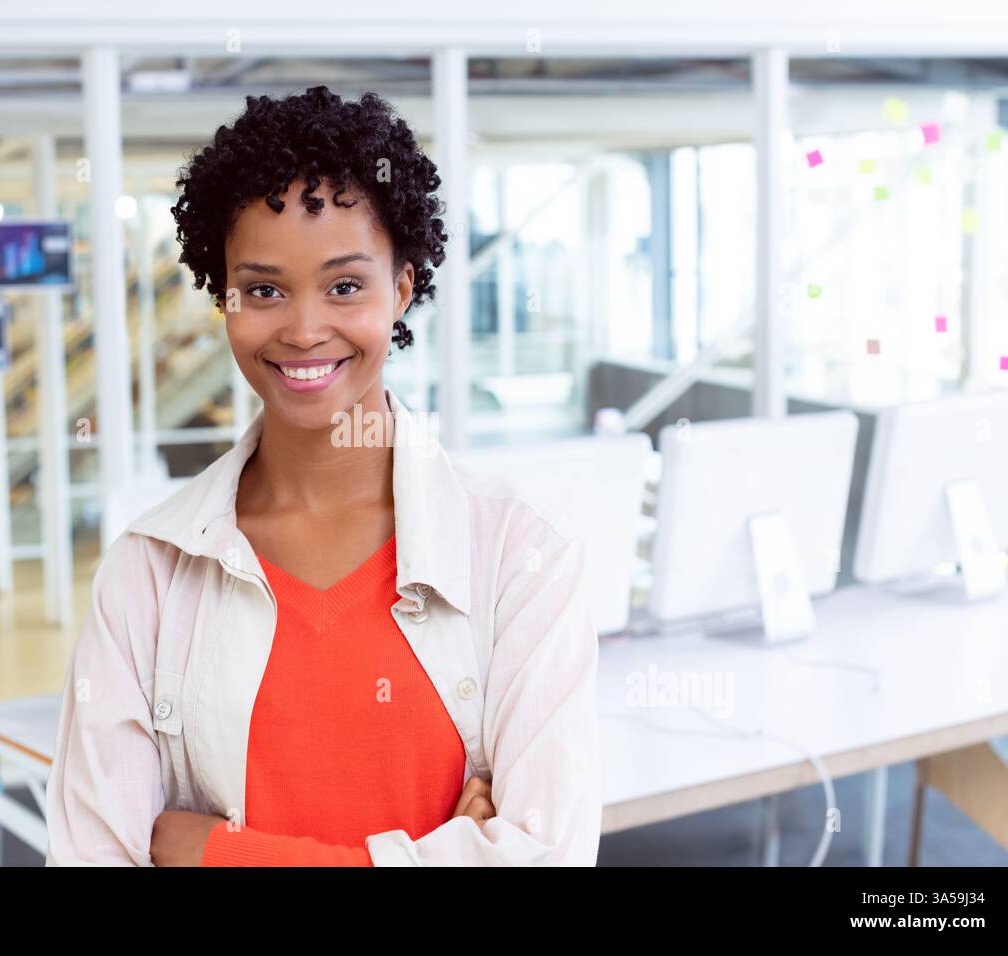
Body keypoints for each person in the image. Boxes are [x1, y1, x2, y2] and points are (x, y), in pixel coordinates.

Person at [45, 85, 601, 866]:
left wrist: (215, 854)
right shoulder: (148, 573)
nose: (305, 330)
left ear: (402, 289)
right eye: (265, 289)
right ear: (224, 296)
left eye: (345, 285)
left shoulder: (520, 556)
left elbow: (550, 858)